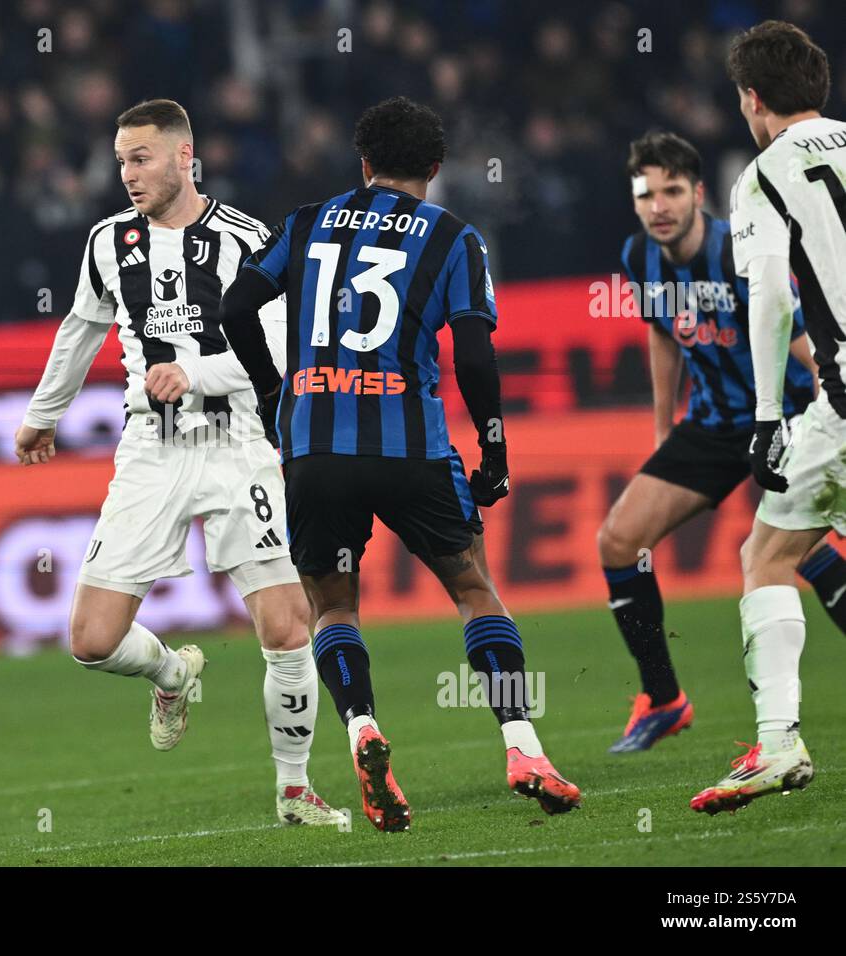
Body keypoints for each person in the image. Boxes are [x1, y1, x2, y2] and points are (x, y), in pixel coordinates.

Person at [219, 96, 580, 831]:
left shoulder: (307, 220)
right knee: (473, 587)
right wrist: (495, 444)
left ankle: (361, 729)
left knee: (335, 606)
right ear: (436, 170)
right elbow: (473, 351)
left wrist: (270, 391)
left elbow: (234, 308)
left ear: (364, 164)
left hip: (314, 444)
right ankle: (523, 747)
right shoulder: (453, 239)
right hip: (410, 444)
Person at [15, 99, 345, 826]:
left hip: (237, 446)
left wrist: (196, 373)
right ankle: (173, 672)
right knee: (91, 640)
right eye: (121, 161)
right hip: (150, 451)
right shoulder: (108, 242)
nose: (128, 174)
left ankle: (295, 791)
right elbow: (80, 328)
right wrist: (44, 414)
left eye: (141, 158)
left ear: (184, 157)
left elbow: (285, 354)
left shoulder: (246, 240)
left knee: (288, 626)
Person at [599, 129, 843, 753]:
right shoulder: (637, 258)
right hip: (710, 424)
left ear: (698, 194)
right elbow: (661, 332)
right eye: (646, 194)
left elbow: (798, 337)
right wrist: (661, 429)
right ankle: (663, 698)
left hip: (784, 416)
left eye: (672, 191)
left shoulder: (741, 247)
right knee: (619, 541)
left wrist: (828, 414)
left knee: (803, 556)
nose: (659, 206)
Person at [691, 20, 846, 813]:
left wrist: (764, 412)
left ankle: (779, 741)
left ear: (753, 100)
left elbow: (771, 295)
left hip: (845, 400)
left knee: (766, 555)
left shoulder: (763, 176)